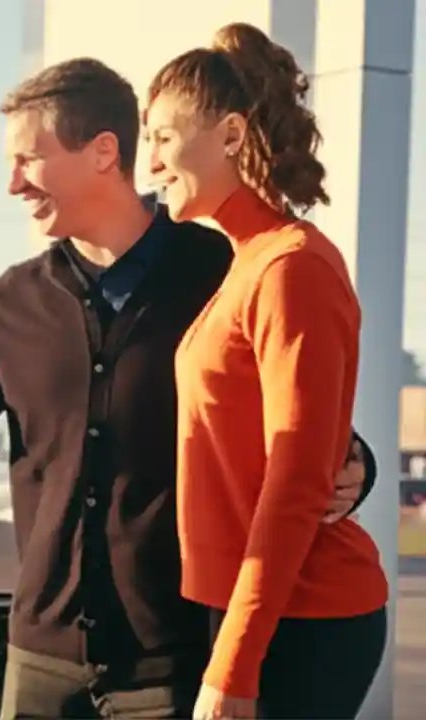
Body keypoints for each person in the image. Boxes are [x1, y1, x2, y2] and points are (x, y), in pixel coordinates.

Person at [0, 57, 377, 719]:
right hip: (41, 659)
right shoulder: (13, 302)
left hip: (176, 654)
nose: (12, 184)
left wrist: (352, 461)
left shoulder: (219, 270)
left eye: (29, 159)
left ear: (103, 152)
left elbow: (290, 420)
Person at [145, 23, 389, 719]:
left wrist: (234, 667)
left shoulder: (291, 267)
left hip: (302, 624)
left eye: (163, 136)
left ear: (228, 136)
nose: (151, 161)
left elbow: (294, 483)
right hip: (251, 612)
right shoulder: (246, 265)